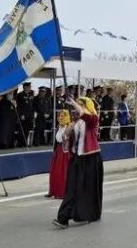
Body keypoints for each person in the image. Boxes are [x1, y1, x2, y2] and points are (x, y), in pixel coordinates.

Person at [53, 97, 104, 229]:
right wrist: (67, 133)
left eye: (82, 105)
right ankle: (63, 218)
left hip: (91, 158)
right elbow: (63, 141)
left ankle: (88, 213)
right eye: (78, 105)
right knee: (72, 188)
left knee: (89, 189)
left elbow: (86, 116)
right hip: (77, 159)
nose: (78, 108)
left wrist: (75, 104)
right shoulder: (75, 122)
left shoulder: (93, 119)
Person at [45, 109, 73, 199]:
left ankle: (62, 192)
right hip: (58, 151)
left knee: (62, 172)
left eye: (62, 116)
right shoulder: (58, 127)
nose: (60, 118)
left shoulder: (69, 127)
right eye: (59, 116)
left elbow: (70, 141)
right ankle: (53, 190)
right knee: (54, 172)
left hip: (65, 152)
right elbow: (57, 140)